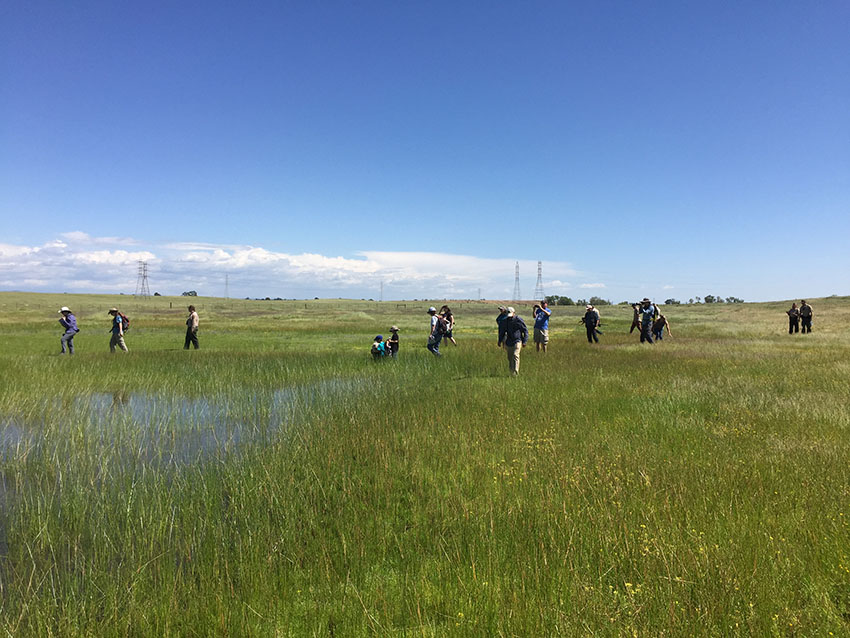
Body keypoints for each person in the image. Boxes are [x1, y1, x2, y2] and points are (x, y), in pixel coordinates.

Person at [497, 307, 528, 375]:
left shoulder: (518, 320)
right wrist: (499, 341)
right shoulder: (505, 321)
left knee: (515, 355)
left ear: (514, 313)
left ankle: (515, 373)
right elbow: (502, 332)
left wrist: (525, 341)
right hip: (509, 341)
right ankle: (511, 372)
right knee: (510, 358)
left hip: (517, 340)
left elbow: (525, 330)